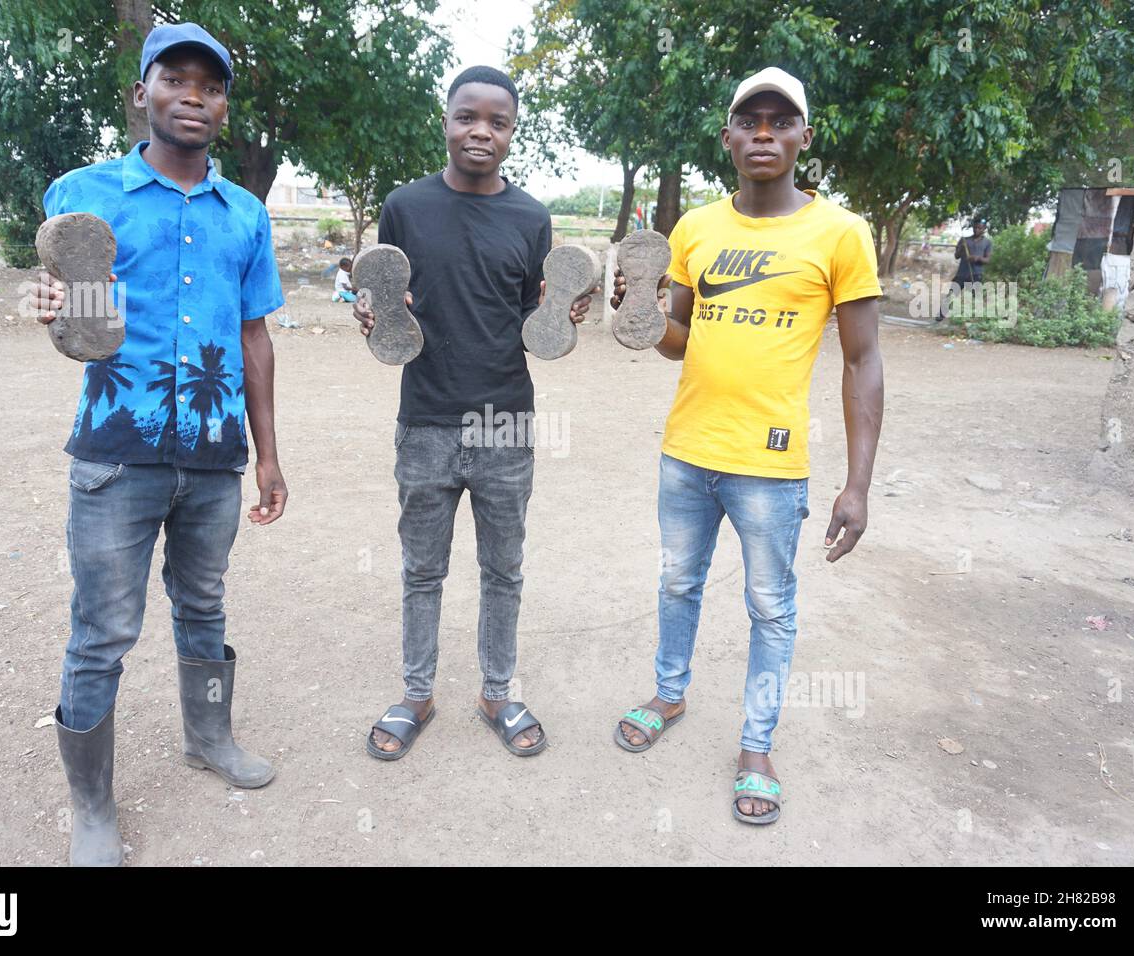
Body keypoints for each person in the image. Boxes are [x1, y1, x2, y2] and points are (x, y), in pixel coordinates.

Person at [28, 23, 287, 865]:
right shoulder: (86, 194)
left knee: (204, 607)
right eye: (174, 80)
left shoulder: (244, 215)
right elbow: (66, 295)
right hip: (115, 453)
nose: (193, 97)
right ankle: (92, 807)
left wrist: (270, 453)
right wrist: (49, 303)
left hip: (215, 459)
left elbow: (254, 337)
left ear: (223, 108)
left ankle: (208, 738)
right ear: (141, 94)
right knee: (102, 629)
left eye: (210, 87)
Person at [609, 67, 884, 825]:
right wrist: (638, 318)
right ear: (728, 136)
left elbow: (863, 360)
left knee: (770, 606)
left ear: (803, 136)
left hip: (771, 466)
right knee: (675, 585)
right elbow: (679, 340)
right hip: (687, 453)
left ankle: (756, 746)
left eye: (780, 120)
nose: (764, 131)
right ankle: (669, 694)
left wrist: (857, 485)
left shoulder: (839, 232)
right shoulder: (696, 229)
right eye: (749, 120)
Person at [352, 65, 595, 760]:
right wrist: (367, 315)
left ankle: (497, 692)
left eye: (497, 121)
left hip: (506, 423)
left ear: (513, 132)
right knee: (422, 570)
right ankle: (416, 694)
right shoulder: (404, 206)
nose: (480, 131)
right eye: (467, 116)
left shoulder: (531, 218)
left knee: (503, 570)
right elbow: (385, 296)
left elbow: (533, 315)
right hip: (425, 418)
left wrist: (562, 315)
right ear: (447, 119)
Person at [939, 216, 991, 322]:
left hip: (976, 275)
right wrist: (961, 248)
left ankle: (976, 321)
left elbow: (987, 260)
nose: (977, 230)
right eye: (975, 227)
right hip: (962, 273)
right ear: (972, 227)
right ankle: (940, 316)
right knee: (952, 294)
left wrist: (977, 258)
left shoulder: (987, 243)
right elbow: (956, 256)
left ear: (984, 229)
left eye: (980, 228)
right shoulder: (964, 240)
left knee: (976, 299)